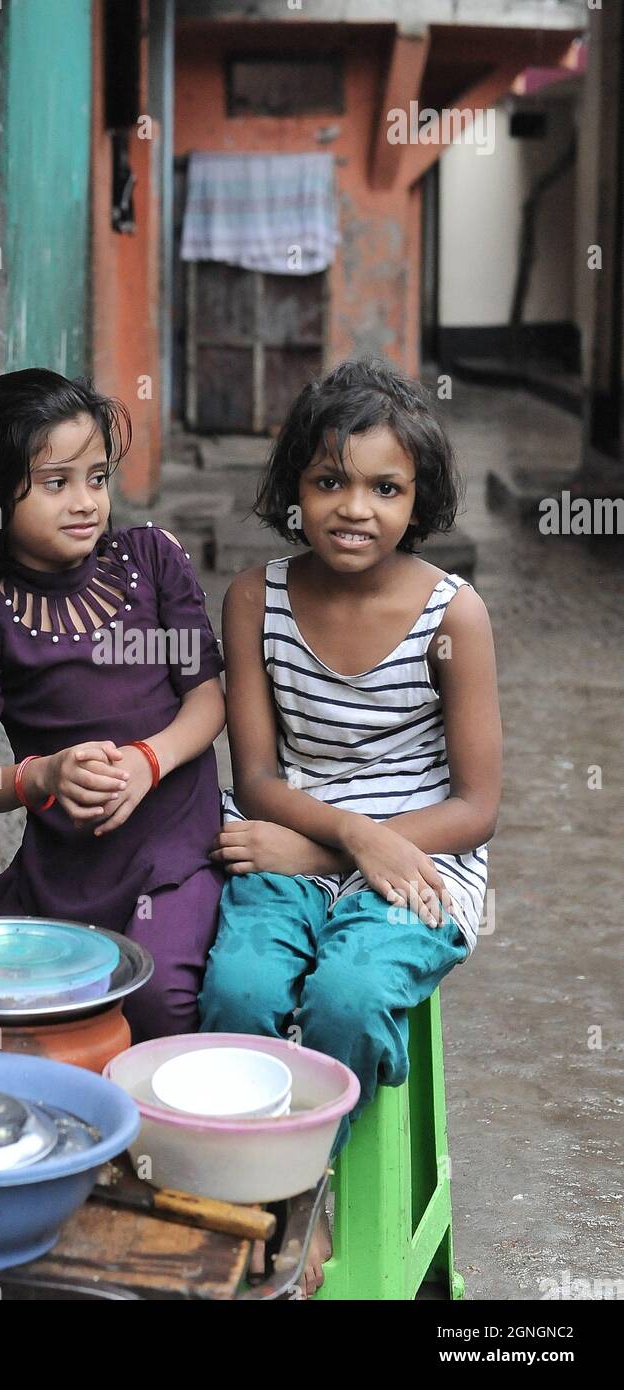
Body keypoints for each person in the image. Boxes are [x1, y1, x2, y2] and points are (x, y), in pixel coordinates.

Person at [199, 358, 502, 1295]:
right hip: (284, 842)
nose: (354, 508)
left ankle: (303, 1197)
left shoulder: (457, 615)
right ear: (294, 486)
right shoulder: (256, 599)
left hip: (422, 862)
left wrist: (362, 845)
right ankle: (257, 1188)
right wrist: (342, 840)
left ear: (421, 498)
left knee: (348, 998)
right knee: (239, 991)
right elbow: (253, 778)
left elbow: (477, 807)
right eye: (329, 481)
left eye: (384, 487)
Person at [0, 368, 226, 1042]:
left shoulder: (153, 561)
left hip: (173, 844)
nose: (86, 501)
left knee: (158, 1000)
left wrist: (150, 762)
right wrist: (41, 776)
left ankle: (158, 1144)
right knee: (42, 1016)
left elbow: (209, 703)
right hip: (65, 868)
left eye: (97, 477)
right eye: (56, 482)